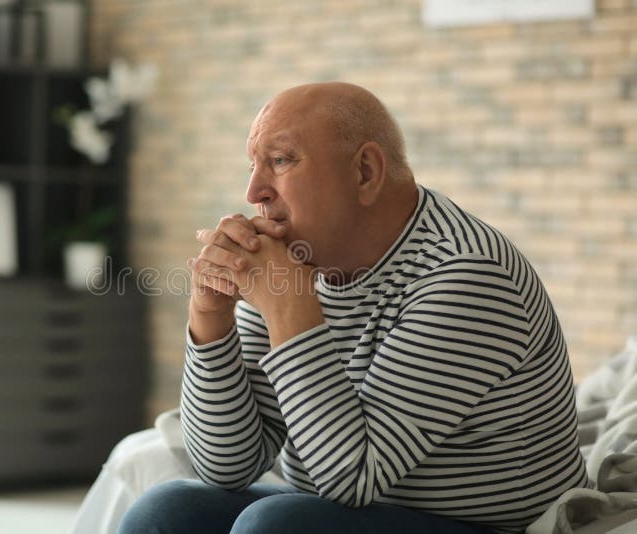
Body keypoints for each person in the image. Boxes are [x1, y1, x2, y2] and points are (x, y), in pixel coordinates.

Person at [117, 82, 589, 533]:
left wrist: (291, 313)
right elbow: (227, 465)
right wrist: (210, 319)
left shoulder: (467, 276)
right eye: (253, 166)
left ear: (365, 172)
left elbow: (351, 478)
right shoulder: (296, 261)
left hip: (489, 525)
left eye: (279, 160)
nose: (254, 192)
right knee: (165, 511)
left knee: (277, 527)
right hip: (344, 510)